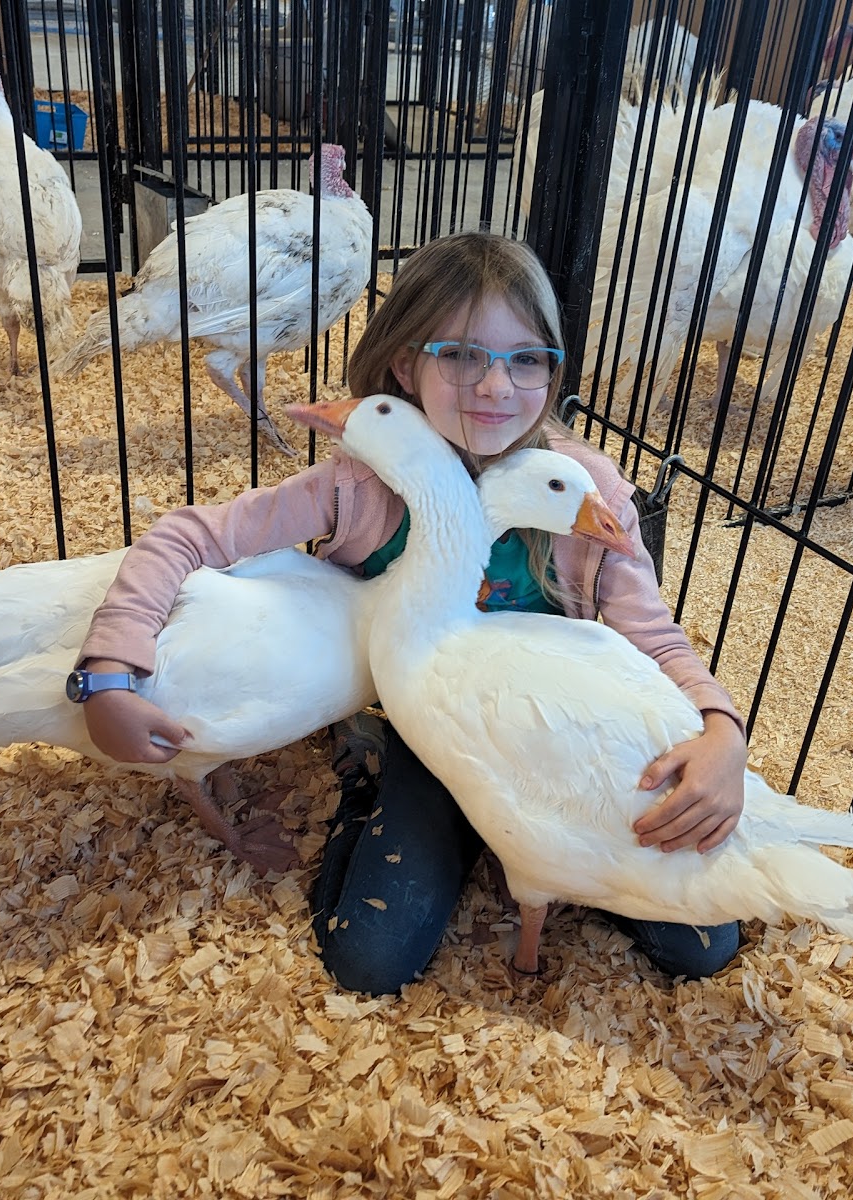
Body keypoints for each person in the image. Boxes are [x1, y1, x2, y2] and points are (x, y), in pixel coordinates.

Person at [74, 231, 750, 993]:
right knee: (370, 961)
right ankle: (370, 792)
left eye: (526, 358)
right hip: (422, 735)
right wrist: (109, 670)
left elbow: (651, 635)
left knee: (703, 946)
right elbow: (190, 536)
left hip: (550, 745)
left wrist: (723, 734)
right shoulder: (359, 484)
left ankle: (529, 846)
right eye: (461, 354)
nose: (496, 386)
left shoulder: (584, 490)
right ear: (405, 365)